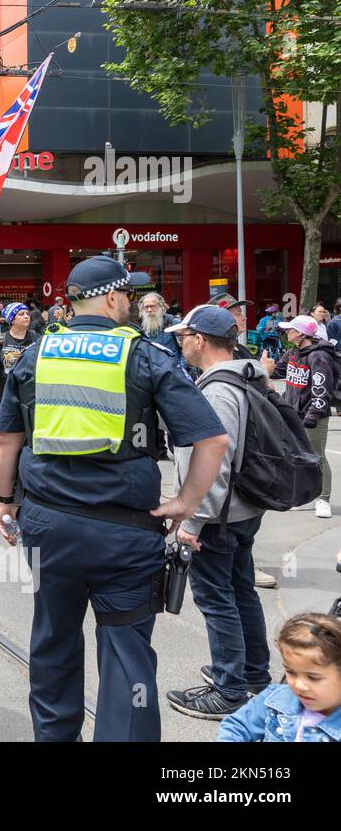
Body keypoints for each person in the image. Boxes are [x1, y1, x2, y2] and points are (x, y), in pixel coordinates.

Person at [0, 255, 229, 741]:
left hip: (49, 528)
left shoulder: (39, 352)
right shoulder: (145, 355)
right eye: (127, 296)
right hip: (126, 534)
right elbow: (212, 440)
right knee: (126, 655)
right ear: (111, 297)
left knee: (54, 640)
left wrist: (5, 501)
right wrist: (185, 504)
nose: (128, 304)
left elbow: (7, 442)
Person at [161, 306, 271, 719]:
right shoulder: (247, 377)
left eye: (184, 336)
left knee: (217, 599)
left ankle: (229, 688)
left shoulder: (216, 391)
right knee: (242, 591)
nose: (181, 342)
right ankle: (252, 674)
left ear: (201, 339)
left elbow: (214, 459)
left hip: (217, 516)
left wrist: (191, 521)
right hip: (242, 510)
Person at [218, 613, 341, 742]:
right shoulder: (275, 698)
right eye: (291, 672)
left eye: (313, 677)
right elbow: (237, 726)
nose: (298, 685)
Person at [262, 314, 336, 519]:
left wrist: (312, 416)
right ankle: (305, 496)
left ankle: (323, 499)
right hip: (294, 413)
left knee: (317, 456)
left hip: (313, 416)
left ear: (301, 334)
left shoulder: (318, 356)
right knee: (296, 455)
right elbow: (277, 371)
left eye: (291, 329)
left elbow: (322, 389)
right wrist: (264, 368)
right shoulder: (293, 352)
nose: (287, 332)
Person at [0, 303, 36, 419]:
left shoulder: (35, 338)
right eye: (21, 314)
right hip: (3, 395)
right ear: (12, 320)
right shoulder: (0, 339)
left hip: (28, 397)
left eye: (27, 313)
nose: (26, 316)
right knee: (4, 435)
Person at [139, 292, 181, 359]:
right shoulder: (143, 327)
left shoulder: (173, 322)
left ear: (160, 307)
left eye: (152, 306)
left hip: (173, 366)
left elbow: (187, 349)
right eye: (146, 307)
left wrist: (181, 367)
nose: (149, 310)